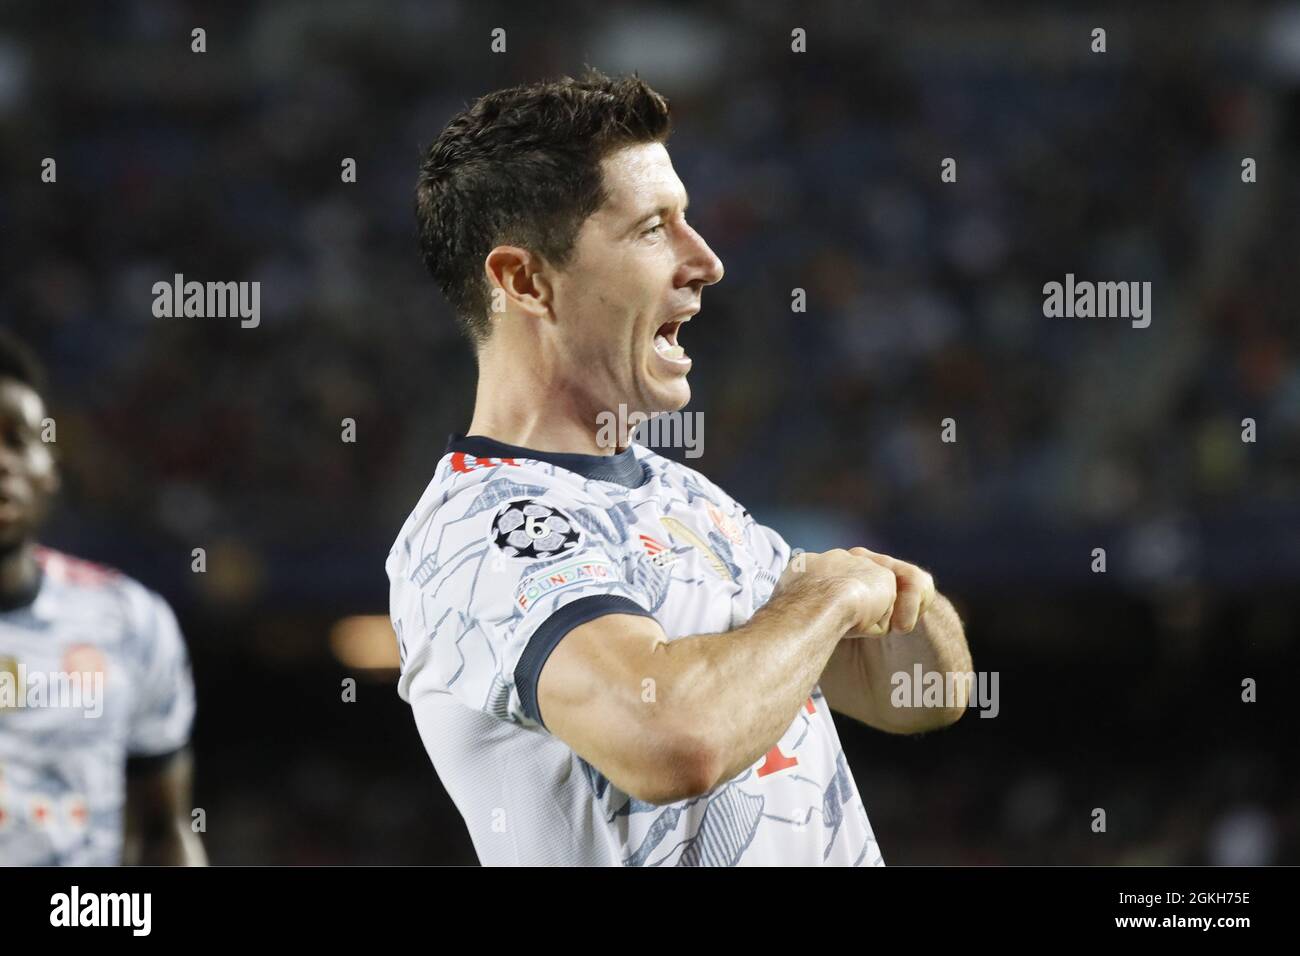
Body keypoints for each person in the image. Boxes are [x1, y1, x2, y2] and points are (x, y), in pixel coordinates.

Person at [387, 70, 972, 866]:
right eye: (653, 229)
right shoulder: (481, 531)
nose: (707, 261)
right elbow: (673, 742)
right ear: (524, 280)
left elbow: (919, 697)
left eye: (686, 219)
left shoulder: (686, 497)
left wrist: (904, 594)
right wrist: (828, 592)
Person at [0, 331, 205, 865]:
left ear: (51, 471)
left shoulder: (127, 620)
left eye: (18, 440)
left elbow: (166, 829)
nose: (1, 462)